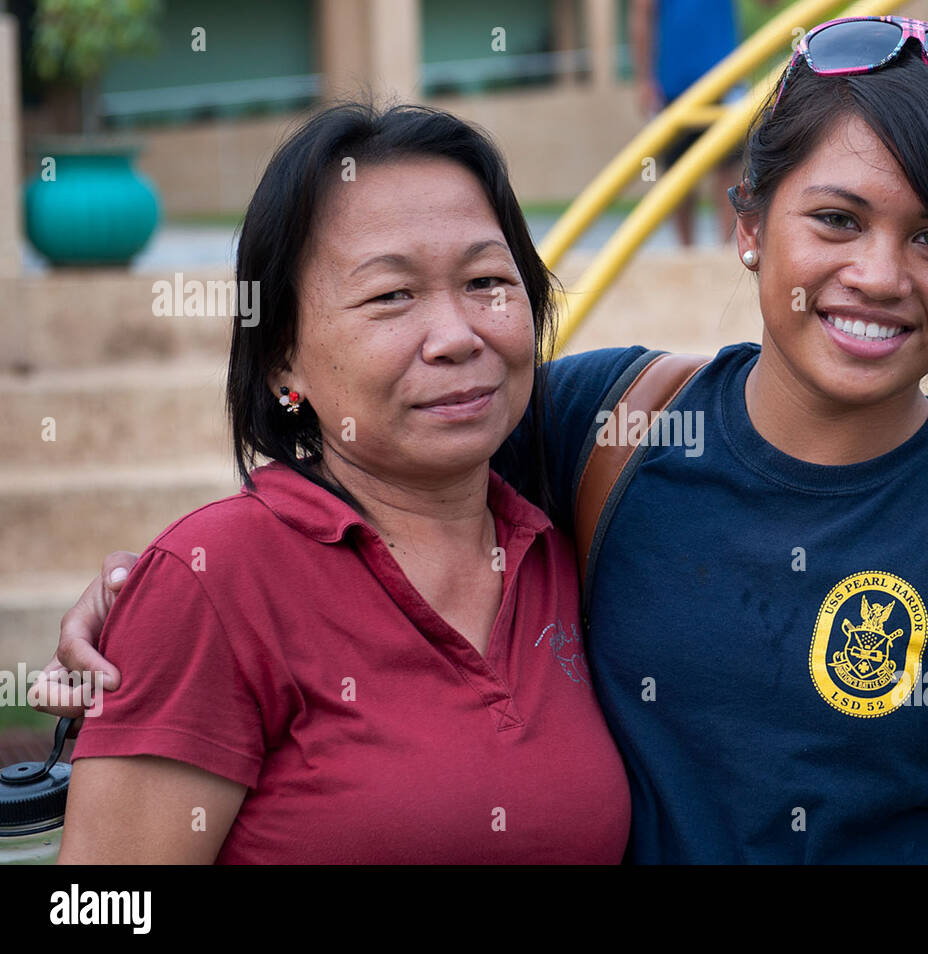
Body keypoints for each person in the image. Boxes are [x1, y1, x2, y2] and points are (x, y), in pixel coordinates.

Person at [40, 17, 928, 864]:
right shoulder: (602, 431)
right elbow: (335, 506)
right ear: (747, 222)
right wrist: (142, 595)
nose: (877, 275)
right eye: (835, 219)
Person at [48, 103, 631, 864]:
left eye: (488, 280)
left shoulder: (566, 544)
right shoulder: (214, 583)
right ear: (282, 357)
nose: (458, 337)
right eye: (392, 295)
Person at [631, 0, 745, 245]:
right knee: (678, 175)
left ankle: (727, 250)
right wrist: (643, 80)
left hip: (724, 78)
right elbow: (641, 15)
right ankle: (686, 252)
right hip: (674, 84)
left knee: (727, 169)